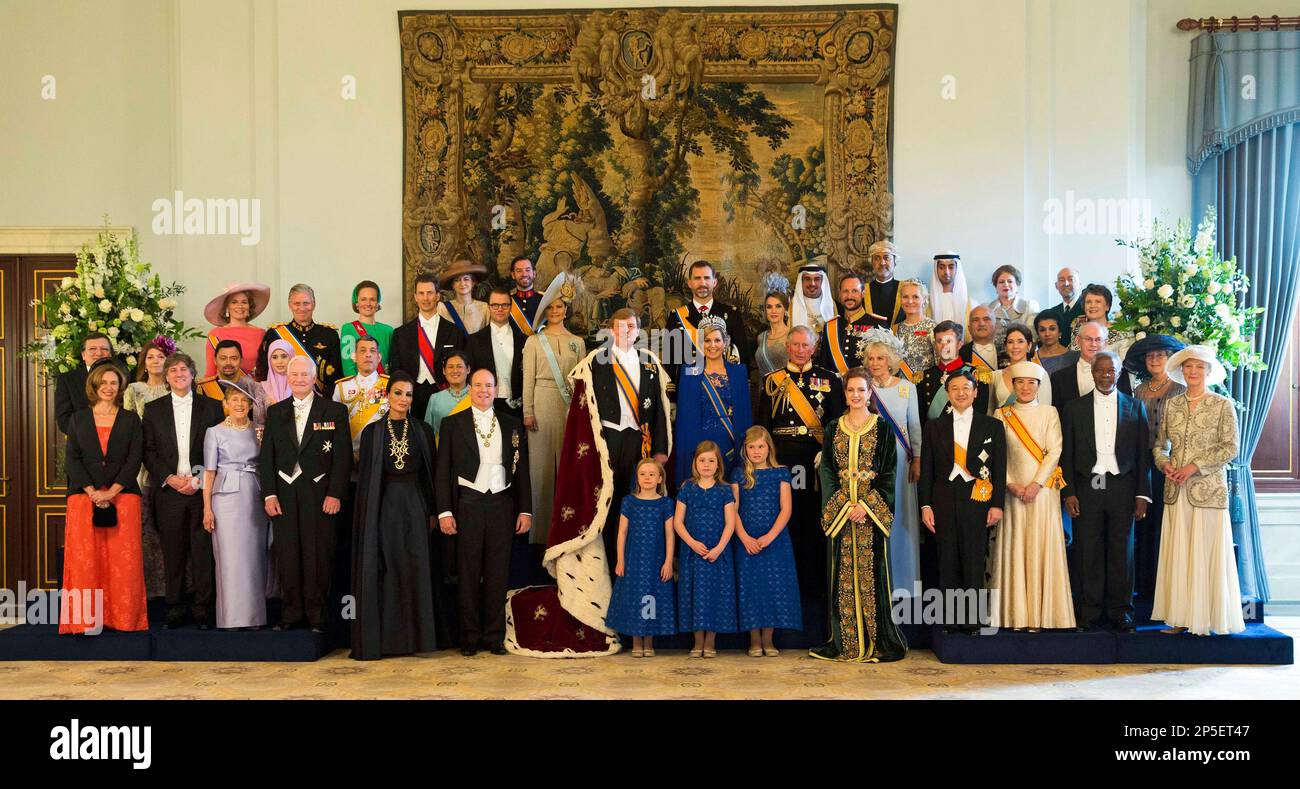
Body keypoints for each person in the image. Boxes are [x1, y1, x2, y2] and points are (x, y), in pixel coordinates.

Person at [812, 367, 907, 661]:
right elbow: (827, 472)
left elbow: (889, 473)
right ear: (845, 394)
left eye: (861, 390)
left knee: (873, 577)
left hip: (869, 515)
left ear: (869, 394)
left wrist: (865, 506)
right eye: (851, 390)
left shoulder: (882, 429)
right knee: (840, 577)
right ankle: (846, 643)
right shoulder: (832, 428)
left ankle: (879, 642)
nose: (856, 395)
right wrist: (844, 506)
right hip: (842, 514)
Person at [436, 367, 532, 656]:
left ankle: (493, 636)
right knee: (468, 573)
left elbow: (522, 470)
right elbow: (443, 472)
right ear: (470, 388)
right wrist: (444, 512)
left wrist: (525, 510)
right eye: (477, 385)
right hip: (468, 505)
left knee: (497, 574)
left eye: (489, 385)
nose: (483, 390)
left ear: (496, 389)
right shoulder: (452, 424)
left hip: (502, 505)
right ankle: (469, 636)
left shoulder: (512, 423)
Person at [1152, 345, 1245, 636]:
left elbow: (1231, 447)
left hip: (1208, 491)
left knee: (1206, 552)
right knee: (1179, 552)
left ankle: (1210, 619)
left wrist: (1194, 467)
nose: (1193, 372)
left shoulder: (1221, 404)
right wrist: (1165, 464)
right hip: (1176, 490)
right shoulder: (1172, 404)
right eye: (1189, 367)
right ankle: (1179, 618)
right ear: (1181, 370)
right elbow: (1160, 445)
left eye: (1199, 367)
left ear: (1208, 371)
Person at [351, 372, 441, 659]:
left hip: (415, 505)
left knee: (416, 565)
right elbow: (366, 480)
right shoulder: (372, 432)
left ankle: (420, 639)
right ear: (387, 395)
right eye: (398, 393)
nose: (404, 399)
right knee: (389, 567)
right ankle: (391, 640)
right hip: (385, 505)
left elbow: (431, 475)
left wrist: (434, 511)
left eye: (409, 394)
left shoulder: (423, 430)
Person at [259, 355, 352, 632]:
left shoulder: (333, 411)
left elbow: (343, 456)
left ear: (314, 378)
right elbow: (267, 458)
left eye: (305, 375)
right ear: (288, 378)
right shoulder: (276, 412)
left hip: (320, 493)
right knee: (288, 555)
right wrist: (269, 494)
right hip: (285, 494)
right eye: (295, 375)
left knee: (318, 555)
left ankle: (317, 615)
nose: (299, 379)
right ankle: (291, 614)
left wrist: (335, 493)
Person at [1060, 351, 1150, 632]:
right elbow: (1068, 455)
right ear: (1092, 372)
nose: (1105, 375)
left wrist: (1142, 494)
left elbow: (1142, 455)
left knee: (1122, 551)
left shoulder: (1135, 407)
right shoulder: (1074, 408)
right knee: (1088, 550)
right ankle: (1089, 611)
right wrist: (1069, 492)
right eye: (1100, 371)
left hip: (1122, 487)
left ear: (1119, 372)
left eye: (1111, 371)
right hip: (1087, 487)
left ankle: (1121, 610)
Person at [59, 362, 148, 634]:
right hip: (83, 499)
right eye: (104, 383)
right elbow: (72, 459)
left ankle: (123, 619)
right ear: (94, 387)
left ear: (120, 386)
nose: (109, 388)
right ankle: (85, 621)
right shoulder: (78, 419)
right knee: (85, 561)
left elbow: (135, 458)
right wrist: (92, 492)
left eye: (114, 383)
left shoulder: (131, 420)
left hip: (123, 498)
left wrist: (112, 492)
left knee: (124, 563)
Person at [756, 326, 844, 598]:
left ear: (814, 348)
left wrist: (828, 452)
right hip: (783, 459)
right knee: (785, 517)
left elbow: (837, 423)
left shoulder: (830, 379)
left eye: (805, 345)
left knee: (813, 520)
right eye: (795, 345)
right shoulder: (773, 380)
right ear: (787, 348)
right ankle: (784, 584)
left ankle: (813, 586)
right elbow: (762, 426)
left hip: (815, 459)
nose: (800, 350)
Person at [142, 352, 225, 629]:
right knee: (173, 553)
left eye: (183, 370)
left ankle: (203, 610)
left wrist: (198, 480)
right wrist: (169, 477)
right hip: (169, 491)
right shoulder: (153, 410)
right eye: (173, 370)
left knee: (203, 553)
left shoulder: (212, 407)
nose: (179, 374)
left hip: (203, 491)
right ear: (166, 377)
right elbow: (148, 450)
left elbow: (218, 449)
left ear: (192, 374)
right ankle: (175, 608)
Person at [919, 369, 1006, 633]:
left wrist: (997, 504)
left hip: (977, 499)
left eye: (966, 388)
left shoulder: (991, 425)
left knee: (973, 558)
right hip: (943, 498)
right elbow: (928, 470)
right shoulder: (935, 426)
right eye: (954, 388)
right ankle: (949, 619)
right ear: (948, 393)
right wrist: (925, 506)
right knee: (947, 560)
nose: (960, 393)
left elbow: (1000, 468)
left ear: (975, 392)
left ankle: (972, 620)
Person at [585, 308, 671, 574]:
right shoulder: (596, 361)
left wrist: (659, 450)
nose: (626, 331)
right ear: (611, 330)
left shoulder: (649, 362)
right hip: (608, 440)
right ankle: (609, 567)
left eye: (631, 327)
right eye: (621, 327)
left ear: (638, 330)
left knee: (637, 500)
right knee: (610, 502)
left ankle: (638, 566)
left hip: (639, 441)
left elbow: (659, 409)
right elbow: (584, 408)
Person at [990, 361, 1074, 631]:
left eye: (1031, 383)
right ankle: (1014, 615)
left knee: (1041, 546)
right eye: (1020, 382)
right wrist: (1011, 484)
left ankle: (1043, 616)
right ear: (1013, 386)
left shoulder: (1050, 413)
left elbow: (1055, 451)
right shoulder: (1001, 415)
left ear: (1039, 386)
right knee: (1014, 546)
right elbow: (994, 457)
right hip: (1011, 492)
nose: (1025, 388)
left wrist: (1035, 485)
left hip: (1043, 492)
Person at [201, 379, 268, 630]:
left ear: (251, 405)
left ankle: (255, 618)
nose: (240, 404)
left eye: (244, 400)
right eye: (234, 400)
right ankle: (231, 619)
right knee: (230, 558)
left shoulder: (260, 430)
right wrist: (206, 508)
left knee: (254, 557)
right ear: (225, 404)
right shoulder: (214, 432)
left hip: (254, 494)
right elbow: (209, 472)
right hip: (225, 499)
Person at [1125, 334, 1187, 601]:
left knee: (1167, 524)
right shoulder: (1140, 389)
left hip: (1171, 464)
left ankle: (1169, 589)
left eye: (1160, 355)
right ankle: (1146, 587)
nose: (1154, 360)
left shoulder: (1180, 388)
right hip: (1143, 463)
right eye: (1150, 356)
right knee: (1144, 525)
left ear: (1170, 358)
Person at [521, 284, 584, 546]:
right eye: (551, 307)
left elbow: (582, 380)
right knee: (542, 468)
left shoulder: (577, 342)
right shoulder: (534, 341)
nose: (555, 311)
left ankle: (567, 528)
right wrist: (528, 411)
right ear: (545, 311)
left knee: (569, 467)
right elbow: (527, 379)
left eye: (559, 307)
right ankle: (540, 533)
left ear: (566, 310)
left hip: (569, 405)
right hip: (542, 401)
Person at [730, 426, 800, 656]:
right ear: (745, 449)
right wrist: (744, 537)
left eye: (760, 446)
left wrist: (770, 536)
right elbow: (733, 510)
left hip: (775, 541)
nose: (756, 451)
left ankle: (768, 640)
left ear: (768, 447)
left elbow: (786, 509)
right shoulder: (739, 475)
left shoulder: (780, 472)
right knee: (751, 589)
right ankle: (754, 640)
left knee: (772, 588)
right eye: (751, 447)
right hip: (747, 541)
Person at [863, 331, 922, 599]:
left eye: (880, 358)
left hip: (901, 460)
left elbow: (915, 428)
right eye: (871, 358)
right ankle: (875, 580)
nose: (875, 363)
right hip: (871, 460)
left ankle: (903, 582)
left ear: (891, 360)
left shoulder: (907, 387)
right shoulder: (863, 388)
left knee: (901, 518)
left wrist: (918, 458)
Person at [606, 457, 677, 657]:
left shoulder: (665, 503)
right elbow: (622, 533)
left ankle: (649, 640)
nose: (647, 478)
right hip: (634, 560)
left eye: (652, 474)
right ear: (637, 478)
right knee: (636, 597)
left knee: (651, 598)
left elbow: (670, 534)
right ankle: (637, 640)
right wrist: (620, 559)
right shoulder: (629, 502)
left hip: (656, 561)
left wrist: (668, 561)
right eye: (643, 474)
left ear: (660, 479)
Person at [674, 441, 739, 657]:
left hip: (717, 553)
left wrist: (719, 548)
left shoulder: (724, 490)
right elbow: (677, 522)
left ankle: (710, 642)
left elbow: (730, 523)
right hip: (693, 553)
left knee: (715, 595)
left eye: (711, 460)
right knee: (693, 594)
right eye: (702, 460)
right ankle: (697, 641)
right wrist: (691, 542)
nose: (706, 464)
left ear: (718, 464)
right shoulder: (687, 488)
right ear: (695, 463)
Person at [673, 317, 753, 484]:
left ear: (725, 342)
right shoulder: (689, 371)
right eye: (707, 340)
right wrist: (689, 450)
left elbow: (744, 412)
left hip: (731, 440)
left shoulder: (739, 372)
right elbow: (685, 417)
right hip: (701, 442)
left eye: (717, 340)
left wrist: (745, 445)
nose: (712, 345)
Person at [124, 336, 173, 599]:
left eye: (161, 357)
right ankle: (149, 589)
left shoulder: (175, 387)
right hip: (142, 466)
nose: (156, 361)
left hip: (173, 465)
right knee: (145, 528)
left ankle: (173, 588)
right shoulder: (133, 389)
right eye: (151, 357)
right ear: (144, 362)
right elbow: (129, 427)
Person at [663, 259, 751, 397]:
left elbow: (743, 355)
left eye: (706, 278)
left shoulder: (731, 314)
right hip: (689, 390)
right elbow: (669, 360)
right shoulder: (676, 317)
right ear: (689, 283)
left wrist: (741, 389)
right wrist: (672, 396)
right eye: (697, 278)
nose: (702, 283)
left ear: (714, 282)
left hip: (723, 391)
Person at [390, 272, 465, 420]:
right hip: (411, 395)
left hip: (443, 393)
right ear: (415, 296)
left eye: (430, 293)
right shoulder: (401, 333)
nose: (425, 298)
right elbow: (396, 369)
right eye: (421, 293)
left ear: (437, 296)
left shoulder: (454, 331)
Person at [254, 283, 343, 395]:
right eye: (297, 304)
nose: (302, 308)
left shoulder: (329, 334)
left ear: (314, 305)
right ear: (290, 305)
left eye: (306, 303)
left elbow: (337, 375)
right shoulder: (274, 334)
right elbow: (263, 370)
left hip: (321, 399)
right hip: (283, 400)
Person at [467, 286, 526, 418]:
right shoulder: (474, 340)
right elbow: (470, 375)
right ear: (489, 307)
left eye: (504, 305)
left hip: (516, 408)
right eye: (495, 305)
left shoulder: (524, 340)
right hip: (484, 405)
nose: (500, 309)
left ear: (511, 307)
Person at [332, 335, 389, 463]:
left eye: (372, 351)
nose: (368, 355)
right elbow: (335, 425)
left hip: (381, 455)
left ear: (379, 357)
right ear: (354, 357)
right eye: (362, 351)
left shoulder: (390, 386)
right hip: (349, 456)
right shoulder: (341, 387)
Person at [920, 321, 990, 423]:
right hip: (935, 436)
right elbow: (922, 420)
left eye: (949, 341)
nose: (944, 346)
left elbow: (979, 417)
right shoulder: (925, 376)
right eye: (940, 341)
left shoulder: (976, 374)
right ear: (935, 345)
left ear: (959, 344)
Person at [203, 282, 270, 377]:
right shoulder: (215, 334)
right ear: (227, 307)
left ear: (249, 307)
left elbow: (267, 368)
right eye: (234, 302)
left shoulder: (261, 334)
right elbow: (210, 371)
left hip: (255, 388)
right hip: (224, 389)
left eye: (244, 302)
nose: (240, 306)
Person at [197, 339, 268, 426]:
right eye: (223, 358)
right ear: (215, 360)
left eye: (234, 358)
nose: (228, 363)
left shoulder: (254, 387)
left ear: (241, 360)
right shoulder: (204, 388)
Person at [55, 333, 113, 435]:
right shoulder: (67, 380)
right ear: (83, 355)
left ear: (110, 354)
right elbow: (64, 420)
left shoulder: (124, 378)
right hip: (82, 444)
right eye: (92, 349)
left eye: (104, 349)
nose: (99, 353)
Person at [817, 273, 874, 374]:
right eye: (845, 291)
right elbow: (824, 366)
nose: (849, 296)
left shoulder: (876, 325)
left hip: (866, 387)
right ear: (839, 294)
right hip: (837, 388)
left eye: (854, 291)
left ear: (863, 293)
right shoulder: (831, 326)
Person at [339, 280, 394, 378]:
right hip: (357, 388)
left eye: (372, 299)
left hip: (382, 387)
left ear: (377, 303)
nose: (368, 303)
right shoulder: (348, 329)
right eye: (363, 299)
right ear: (356, 302)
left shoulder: (388, 331)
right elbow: (348, 367)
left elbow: (392, 365)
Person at [1051, 321, 1106, 416]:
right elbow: (1057, 415)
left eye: (1098, 340)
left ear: (1105, 343)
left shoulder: (1120, 374)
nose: (1093, 344)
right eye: (1088, 339)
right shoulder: (1059, 378)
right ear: (1077, 341)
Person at [993, 324, 1053, 407]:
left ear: (1029, 346)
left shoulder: (1040, 374)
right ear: (1006, 347)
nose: (1015, 346)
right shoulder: (996, 375)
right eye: (1010, 342)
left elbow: (1046, 409)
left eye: (1020, 341)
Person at [960, 305, 1003, 408]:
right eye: (975, 320)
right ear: (969, 328)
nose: (981, 323)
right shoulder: (960, 354)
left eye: (986, 319)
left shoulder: (1007, 351)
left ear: (995, 326)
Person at [894, 279, 936, 383]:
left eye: (915, 297)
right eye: (905, 297)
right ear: (900, 299)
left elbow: (940, 364)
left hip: (926, 387)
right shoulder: (895, 329)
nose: (910, 301)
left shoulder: (933, 327)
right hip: (901, 390)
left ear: (924, 299)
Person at [985, 265, 1040, 344]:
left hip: (1022, 353)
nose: (1006, 284)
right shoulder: (986, 308)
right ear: (995, 286)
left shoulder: (1030, 306)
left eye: (1010, 281)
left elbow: (1032, 337)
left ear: (1017, 285)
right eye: (1001, 282)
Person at [423, 350, 471, 441]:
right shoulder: (435, 399)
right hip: (442, 451)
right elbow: (428, 433)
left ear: (468, 369)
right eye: (450, 367)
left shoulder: (479, 396)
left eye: (459, 366)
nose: (455, 370)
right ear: (444, 371)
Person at [438, 259, 490, 336]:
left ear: (473, 282)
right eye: (457, 280)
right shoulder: (442, 308)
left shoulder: (484, 308)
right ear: (452, 285)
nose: (462, 283)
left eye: (466, 279)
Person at [929, 252, 974, 338]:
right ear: (936, 270)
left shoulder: (970, 304)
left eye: (951, 267)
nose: (946, 272)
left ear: (957, 269)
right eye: (941, 267)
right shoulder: (926, 302)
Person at [862, 239, 904, 329]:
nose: (882, 263)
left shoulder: (905, 289)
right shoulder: (863, 291)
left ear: (895, 262)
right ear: (872, 263)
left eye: (886, 257)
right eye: (877, 258)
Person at [789, 260, 836, 338]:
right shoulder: (792, 305)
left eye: (817, 279)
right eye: (807, 279)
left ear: (822, 282)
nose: (812, 284)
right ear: (801, 282)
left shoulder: (831, 304)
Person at [754, 291, 791, 377]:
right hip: (765, 388)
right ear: (765, 310)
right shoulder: (761, 337)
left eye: (778, 306)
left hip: (788, 387)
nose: (773, 311)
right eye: (769, 307)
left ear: (785, 310)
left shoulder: (792, 335)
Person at [1033, 311, 1077, 376]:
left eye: (1052, 329)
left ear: (1060, 332)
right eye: (1042, 330)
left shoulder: (1074, 357)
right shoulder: (1031, 358)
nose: (1047, 334)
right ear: (1038, 334)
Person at [1045, 267, 1084, 336]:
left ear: (1079, 284)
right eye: (1061, 280)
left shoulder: (1088, 309)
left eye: (1071, 279)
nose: (1066, 283)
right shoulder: (1051, 313)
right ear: (1056, 286)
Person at [508, 255, 542, 332]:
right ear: (513, 275)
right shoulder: (507, 301)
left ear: (534, 273)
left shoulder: (544, 300)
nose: (524, 274)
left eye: (528, 270)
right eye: (519, 271)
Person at [260, 339, 295, 405]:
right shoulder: (261, 389)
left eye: (284, 356)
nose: (279, 361)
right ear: (269, 360)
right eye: (274, 357)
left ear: (292, 358)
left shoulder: (302, 385)